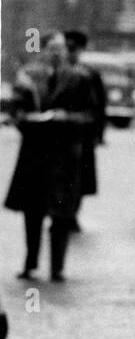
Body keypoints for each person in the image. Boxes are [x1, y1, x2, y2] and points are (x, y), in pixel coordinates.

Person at [5, 31, 97, 281]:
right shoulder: (29, 77)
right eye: (51, 48)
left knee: (61, 215)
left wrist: (66, 117)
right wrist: (26, 119)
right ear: (43, 50)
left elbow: (90, 114)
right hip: (34, 154)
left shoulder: (80, 79)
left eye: (60, 48)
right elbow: (15, 111)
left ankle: (57, 267)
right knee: (32, 212)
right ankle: (30, 262)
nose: (56, 52)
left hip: (64, 156)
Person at [63, 29, 107, 230]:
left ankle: (71, 213)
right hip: (62, 135)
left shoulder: (89, 75)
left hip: (82, 135)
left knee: (79, 179)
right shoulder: (57, 72)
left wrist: (98, 133)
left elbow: (99, 107)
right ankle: (64, 213)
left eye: (73, 48)